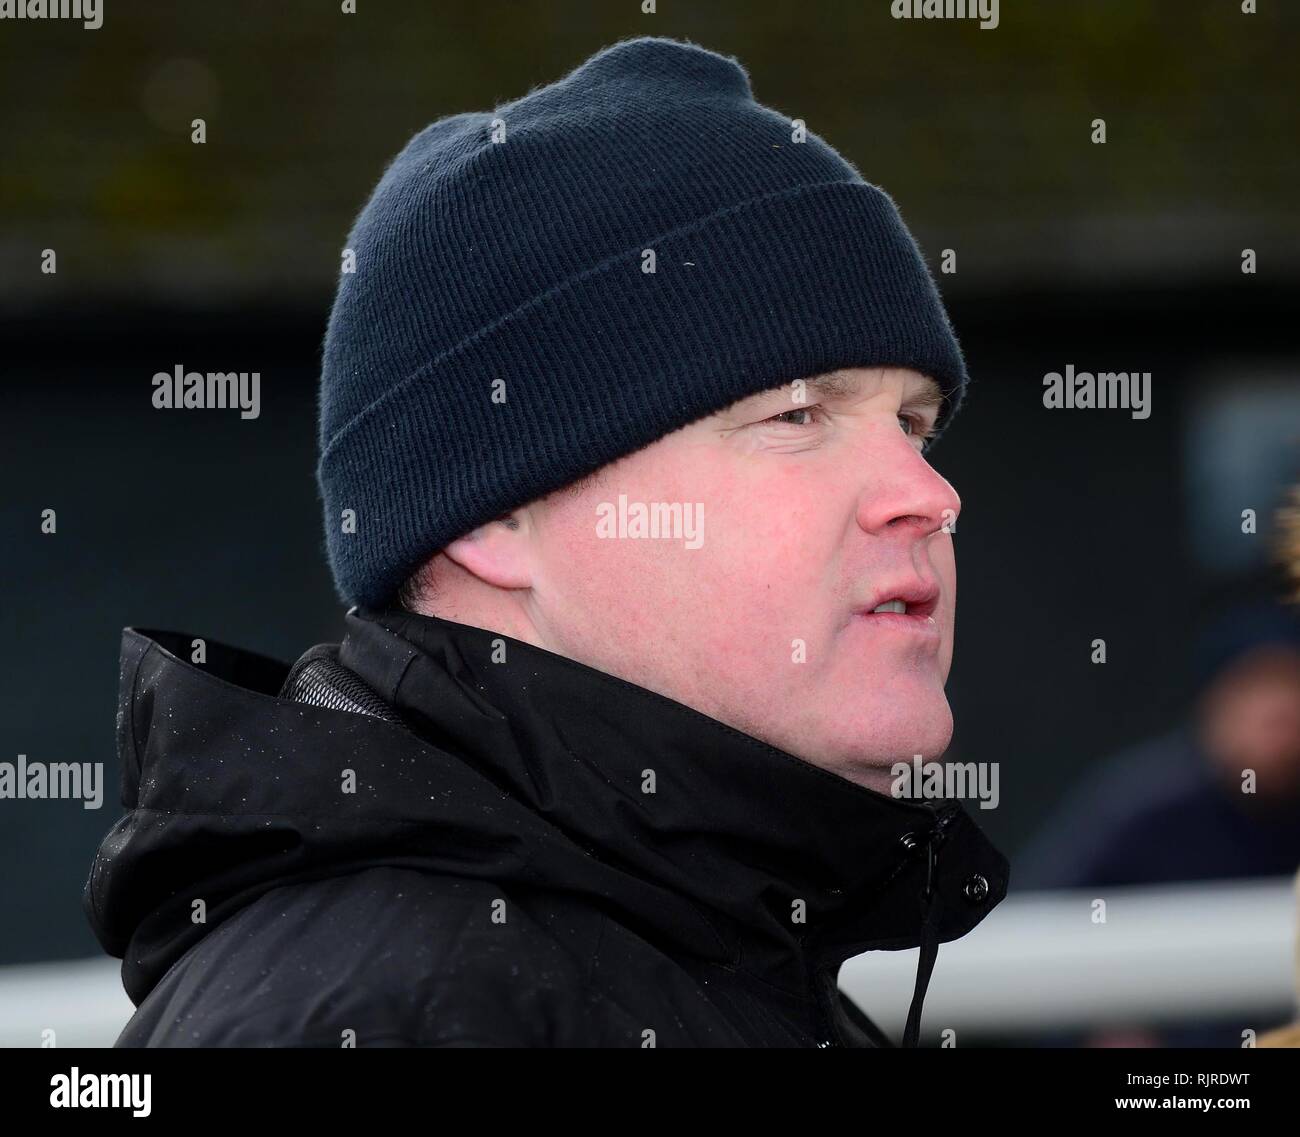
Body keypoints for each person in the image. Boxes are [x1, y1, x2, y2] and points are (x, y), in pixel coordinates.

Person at [84, 35, 1007, 1048]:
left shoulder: (716, 953)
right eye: (795, 416)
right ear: (495, 517)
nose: (927, 494)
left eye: (914, 424)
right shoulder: (396, 1018)